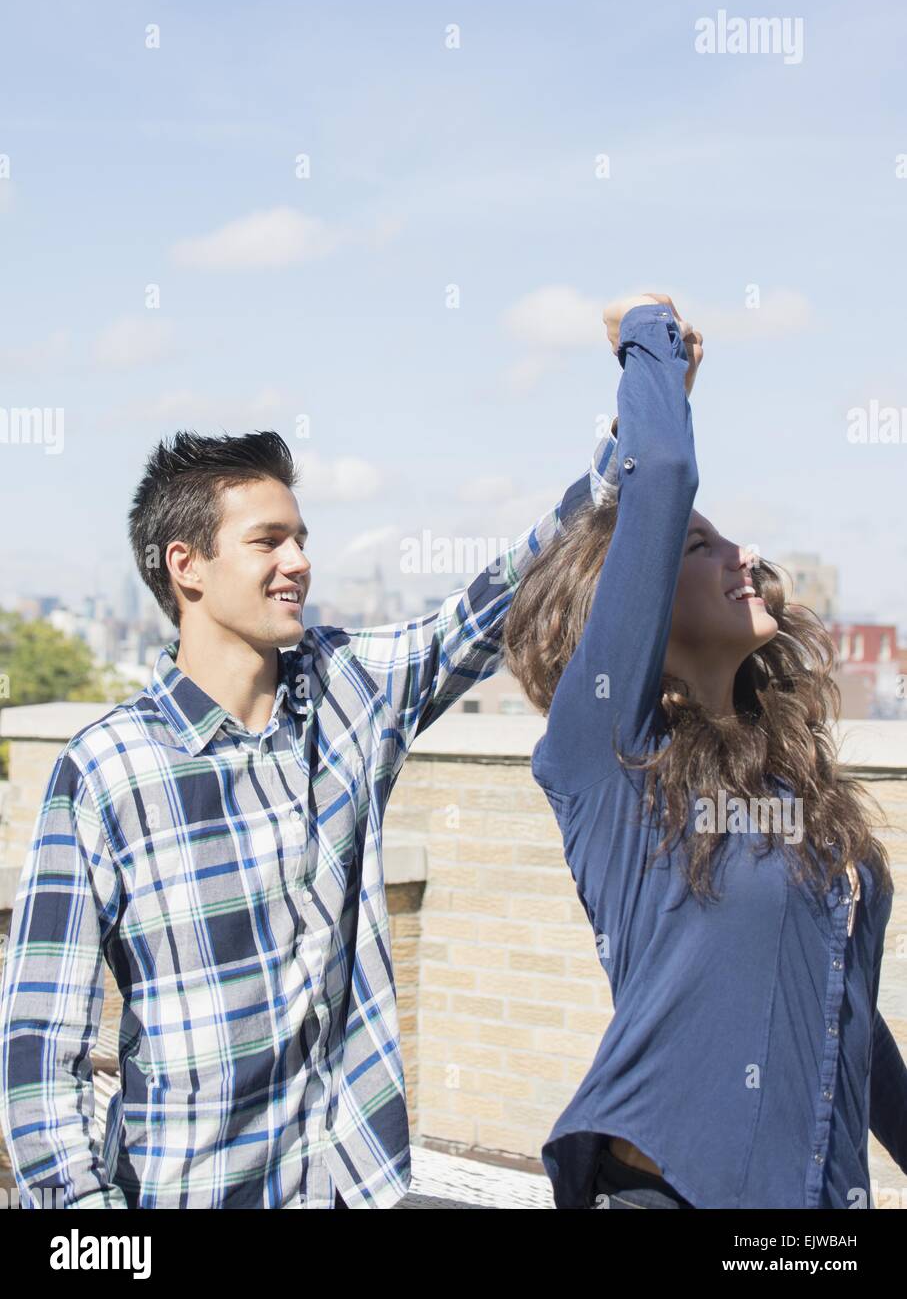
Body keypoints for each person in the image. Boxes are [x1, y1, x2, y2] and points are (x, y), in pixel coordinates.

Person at [0, 419, 624, 1209]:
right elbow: (38, 1046)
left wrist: (631, 439)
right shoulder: (105, 771)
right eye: (268, 541)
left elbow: (494, 599)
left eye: (300, 538)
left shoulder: (348, 692)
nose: (298, 561)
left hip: (346, 1190)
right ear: (186, 566)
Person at [503, 294, 907, 1209]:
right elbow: (664, 472)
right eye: (698, 543)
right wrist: (647, 337)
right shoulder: (607, 759)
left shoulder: (781, 776)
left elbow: (836, 997)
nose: (744, 554)